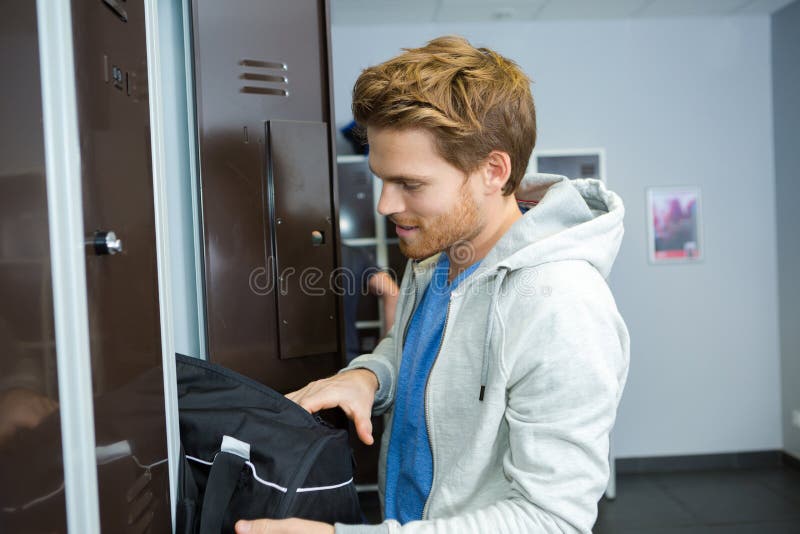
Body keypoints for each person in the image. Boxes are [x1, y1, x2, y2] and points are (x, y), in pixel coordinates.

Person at [235, 35, 629, 534]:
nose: (385, 205)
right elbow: (417, 353)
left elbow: (552, 519)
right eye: (382, 179)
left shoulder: (565, 306)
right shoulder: (440, 253)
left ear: (493, 170)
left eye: (410, 184)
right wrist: (370, 376)